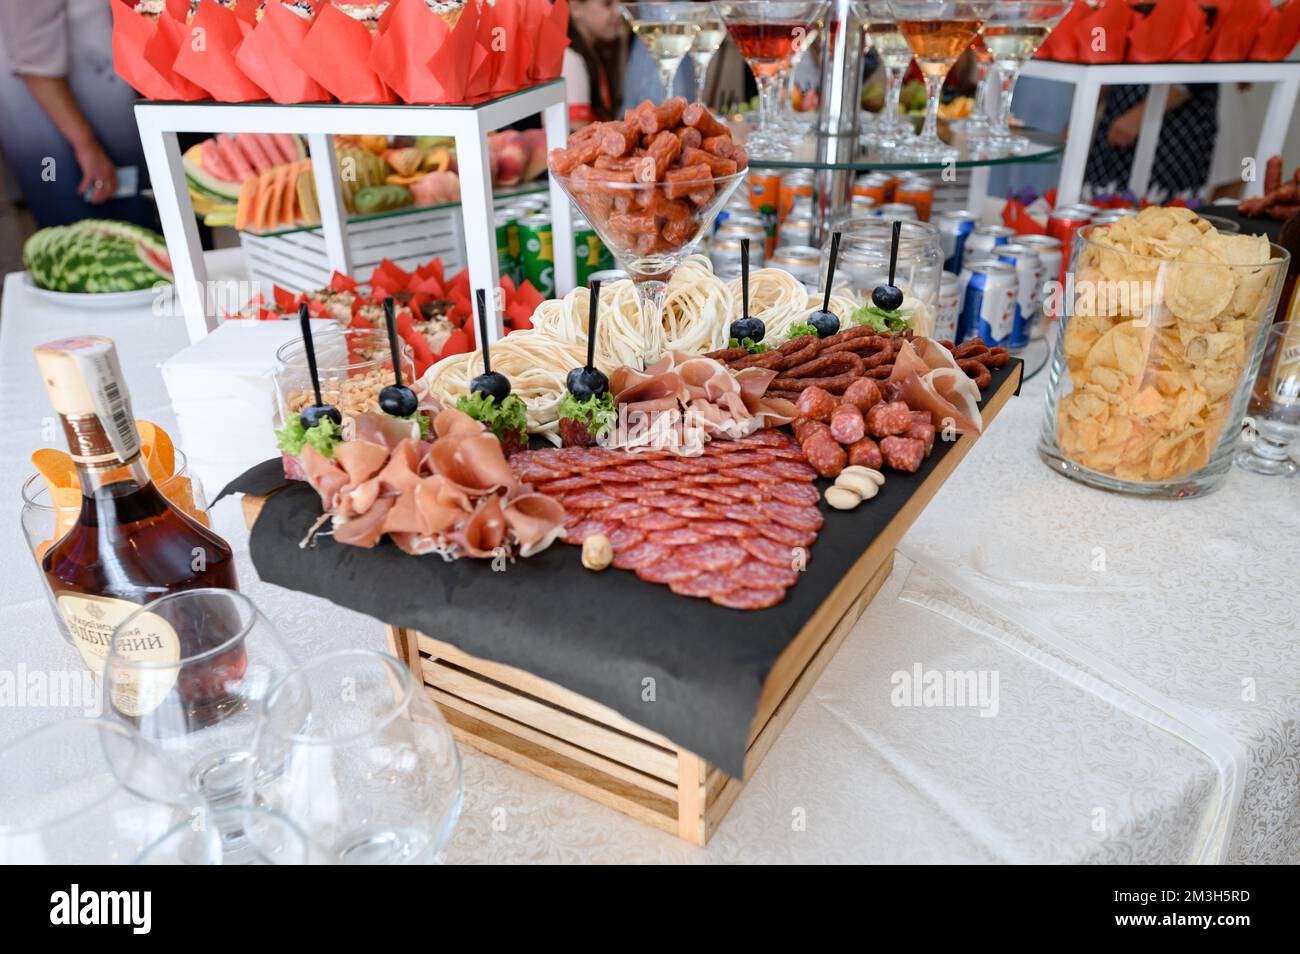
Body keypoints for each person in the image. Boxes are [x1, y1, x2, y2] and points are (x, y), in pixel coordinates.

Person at [0, 0, 156, 229]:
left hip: (108, 120)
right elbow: (34, 61)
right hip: (67, 139)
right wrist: (85, 144)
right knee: (105, 238)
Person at [1083, 84, 1219, 203]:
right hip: (1120, 108)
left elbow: (1196, 75)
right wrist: (1084, 113)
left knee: (1163, 212)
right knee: (1102, 201)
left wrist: (1139, 115)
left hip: (1175, 123)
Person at [563, 0, 627, 128]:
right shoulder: (570, 59)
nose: (619, 11)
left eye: (622, 3)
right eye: (607, 3)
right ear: (576, 8)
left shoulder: (595, 52)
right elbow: (577, 134)